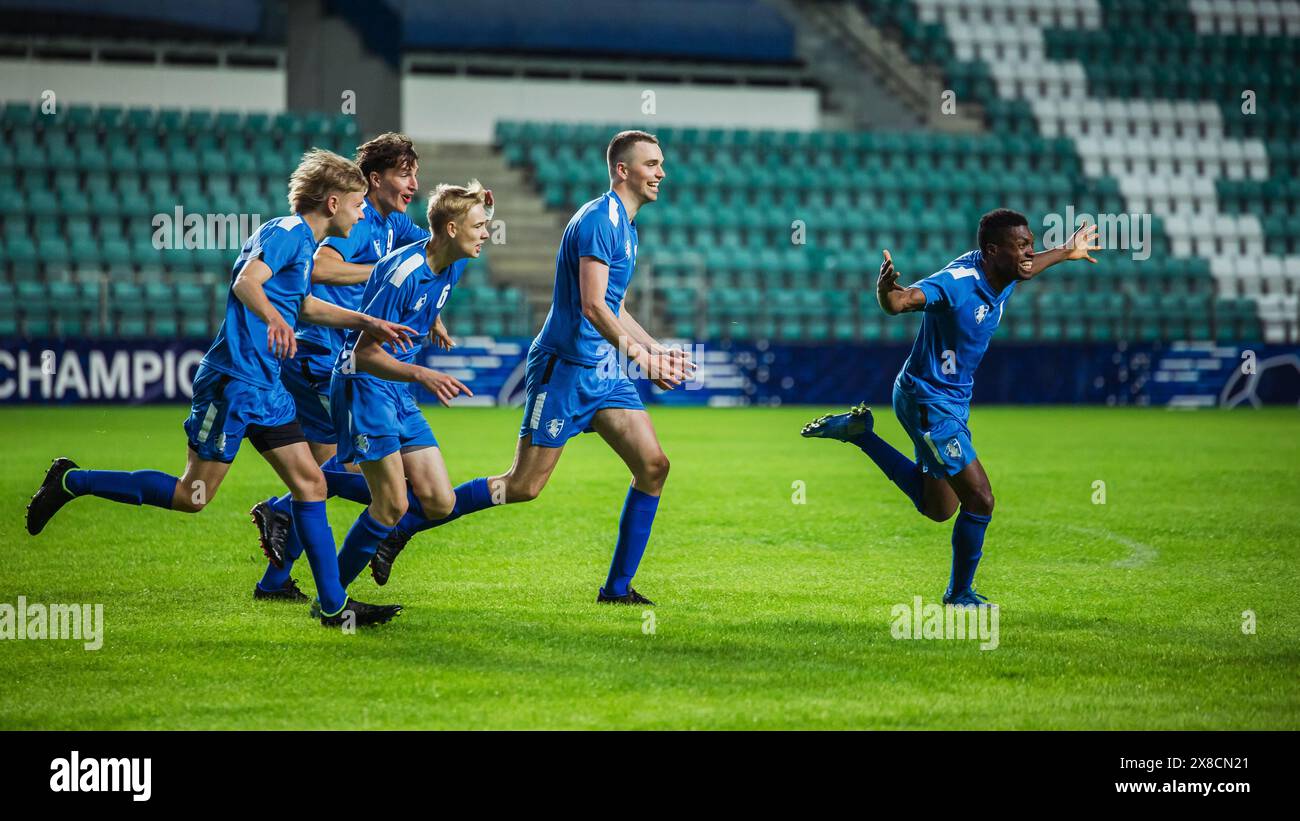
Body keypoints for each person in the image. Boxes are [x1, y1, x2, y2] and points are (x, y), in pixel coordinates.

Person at [802, 210, 1099, 607]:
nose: (1030, 252)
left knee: (938, 508)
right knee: (981, 499)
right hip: (928, 400)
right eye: (1023, 245)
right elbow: (900, 302)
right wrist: (885, 289)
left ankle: (861, 435)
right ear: (993, 251)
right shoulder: (957, 283)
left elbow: (1030, 266)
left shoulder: (1007, 271)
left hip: (949, 400)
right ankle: (959, 595)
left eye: (1031, 243)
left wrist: (1067, 251)